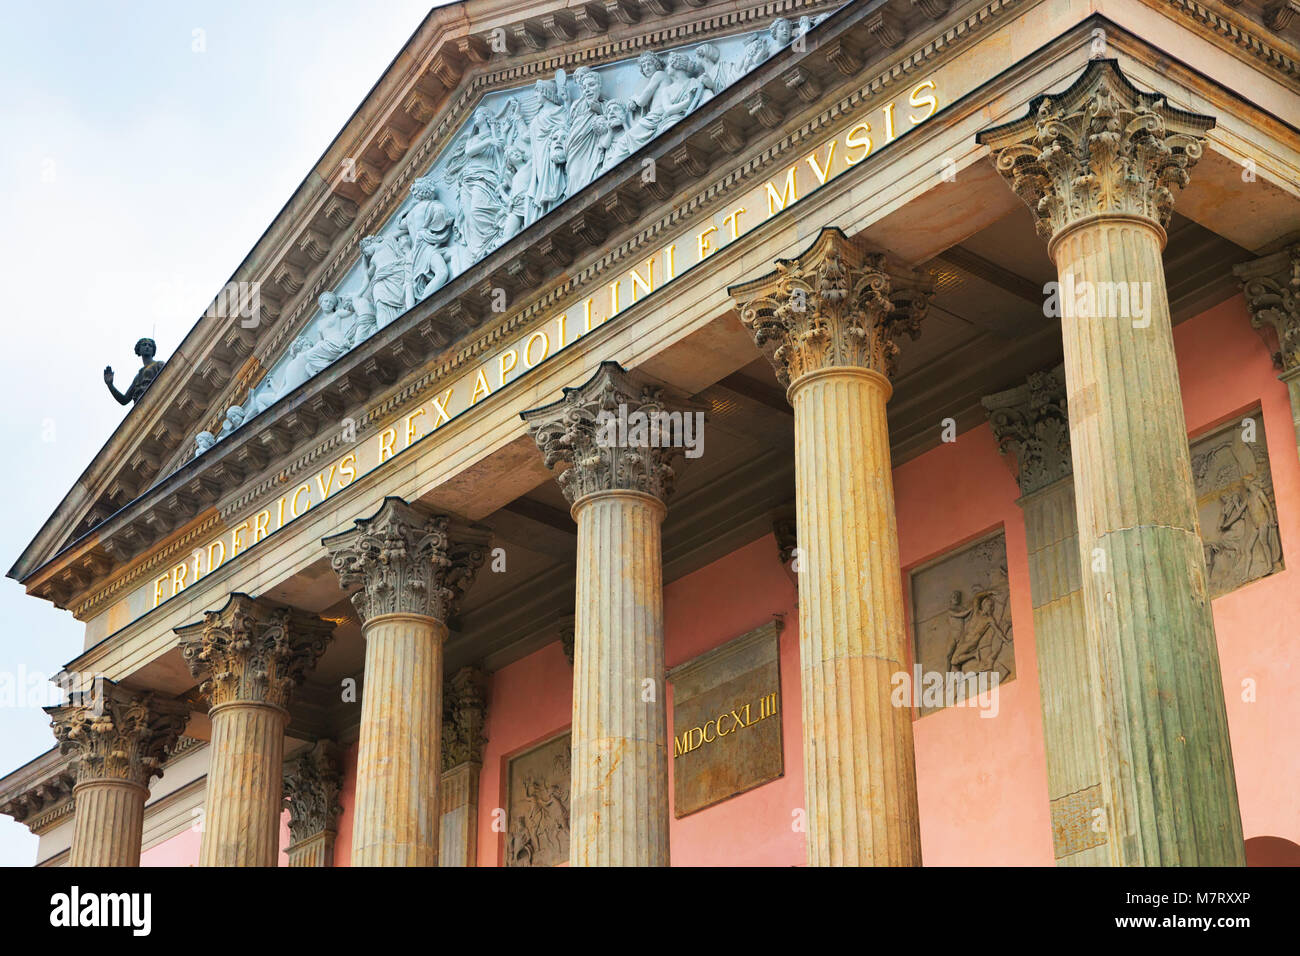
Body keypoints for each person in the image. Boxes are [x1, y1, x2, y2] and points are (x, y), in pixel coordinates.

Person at [104, 338, 165, 405]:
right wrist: (110, 385)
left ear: (153, 350)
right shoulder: (138, 377)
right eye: (144, 345)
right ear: (139, 349)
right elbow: (124, 400)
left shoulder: (159, 364)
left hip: (156, 401)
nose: (147, 346)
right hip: (140, 408)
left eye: (150, 345)